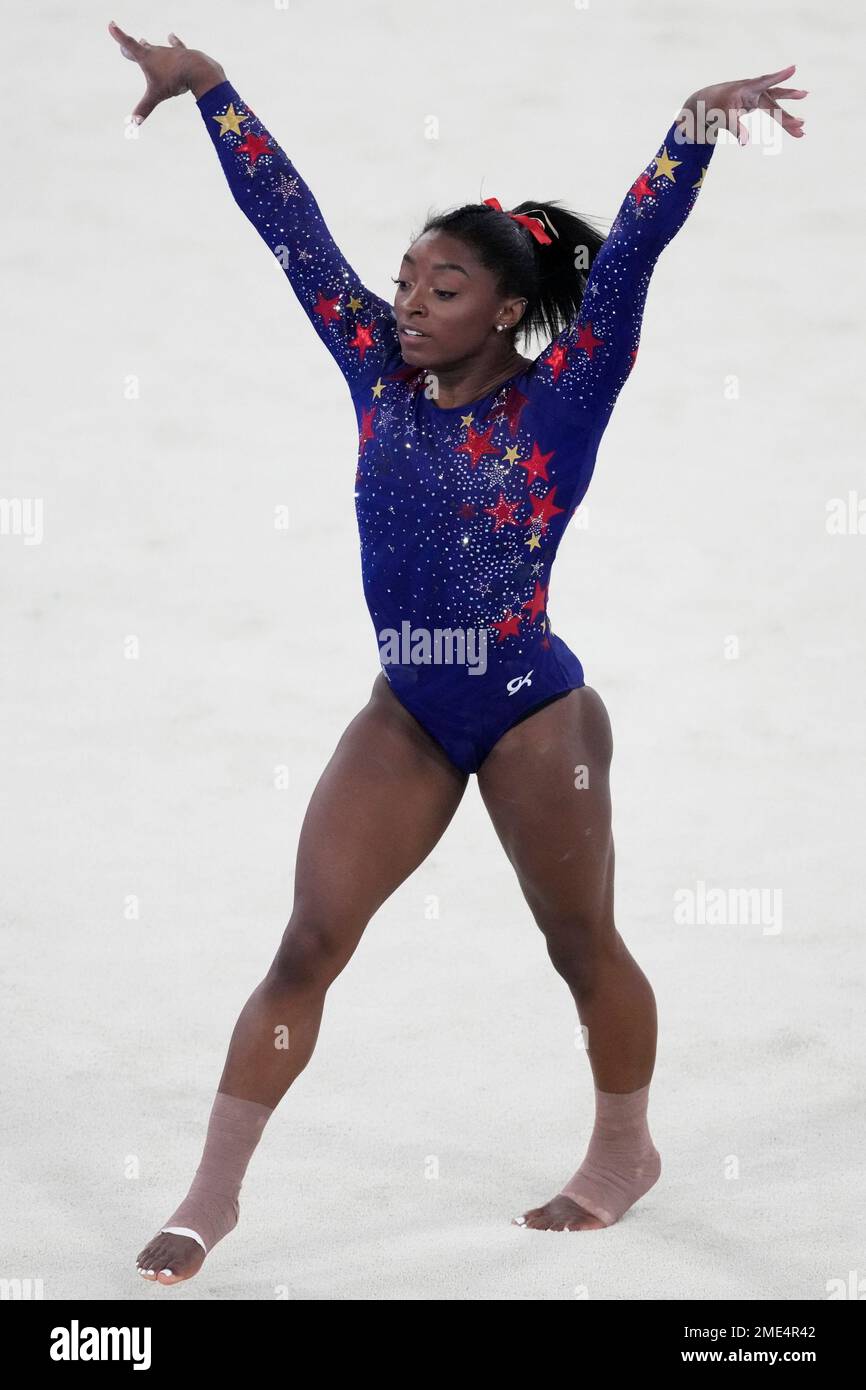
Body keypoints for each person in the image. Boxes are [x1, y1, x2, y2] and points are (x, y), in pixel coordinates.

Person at [108, 23, 806, 1285]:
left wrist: (693, 128)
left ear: (509, 310)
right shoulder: (377, 375)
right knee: (308, 940)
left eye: (443, 289)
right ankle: (211, 1197)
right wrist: (212, 92)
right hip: (410, 710)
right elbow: (293, 235)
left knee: (578, 944)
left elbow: (636, 253)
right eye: (407, 280)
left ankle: (620, 1151)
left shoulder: (561, 398)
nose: (409, 305)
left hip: (535, 712)